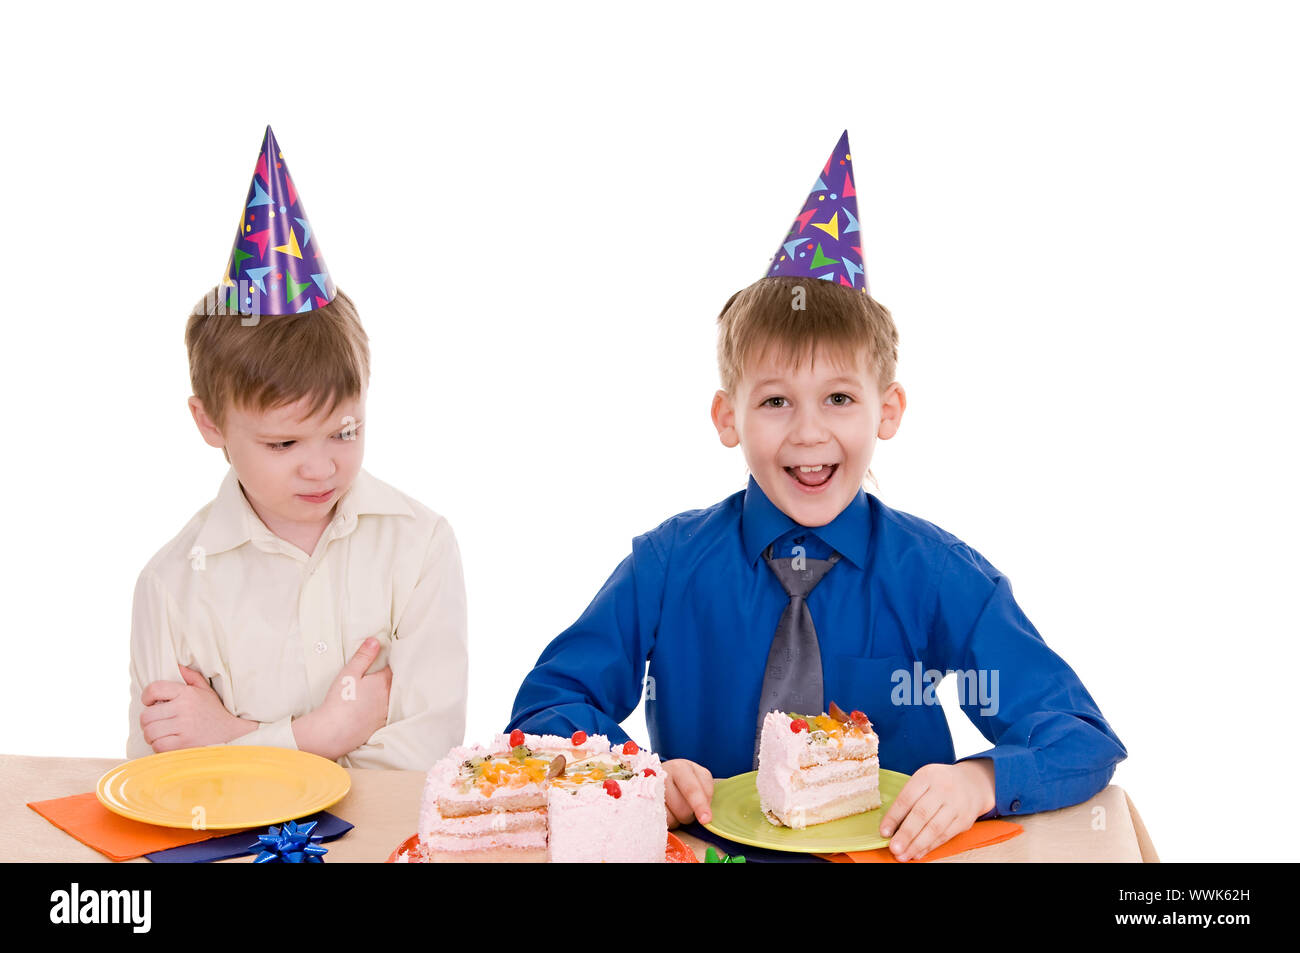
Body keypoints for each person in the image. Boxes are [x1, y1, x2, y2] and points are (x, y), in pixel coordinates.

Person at [508, 131, 1125, 860]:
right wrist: (641, 772)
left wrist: (981, 781)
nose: (808, 433)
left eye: (838, 397)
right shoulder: (667, 567)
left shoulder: (937, 574)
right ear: (726, 417)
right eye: (775, 401)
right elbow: (546, 708)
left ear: (886, 411)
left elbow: (1077, 733)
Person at [127, 127, 467, 770]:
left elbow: (423, 760)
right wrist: (322, 734)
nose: (322, 466)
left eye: (345, 431)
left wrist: (233, 737)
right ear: (209, 424)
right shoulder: (171, 587)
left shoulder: (419, 545)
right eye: (283, 442)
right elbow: (166, 779)